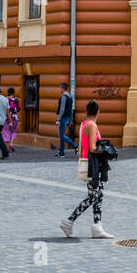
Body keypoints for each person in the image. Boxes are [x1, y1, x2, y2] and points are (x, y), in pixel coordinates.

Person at [60, 100, 113, 239]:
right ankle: (70, 221)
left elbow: (82, 148)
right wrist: (107, 151)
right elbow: (93, 148)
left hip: (85, 163)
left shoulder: (83, 124)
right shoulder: (92, 125)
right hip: (92, 166)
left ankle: (96, 227)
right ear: (98, 112)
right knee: (95, 196)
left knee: (96, 196)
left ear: (86, 111)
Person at [55, 84, 77, 157]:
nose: (59, 90)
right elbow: (71, 109)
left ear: (62, 88)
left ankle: (75, 146)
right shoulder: (70, 97)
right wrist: (71, 120)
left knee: (61, 135)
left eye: (60, 88)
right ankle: (61, 153)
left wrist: (58, 119)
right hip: (67, 117)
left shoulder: (64, 96)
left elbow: (62, 108)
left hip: (63, 118)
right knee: (61, 135)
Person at [4, 86, 20, 152]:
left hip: (7, 118)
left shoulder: (5, 99)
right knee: (14, 131)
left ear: (8, 92)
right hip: (15, 118)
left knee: (6, 131)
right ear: (13, 93)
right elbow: (19, 109)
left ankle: (7, 147)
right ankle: (11, 143)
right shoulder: (16, 100)